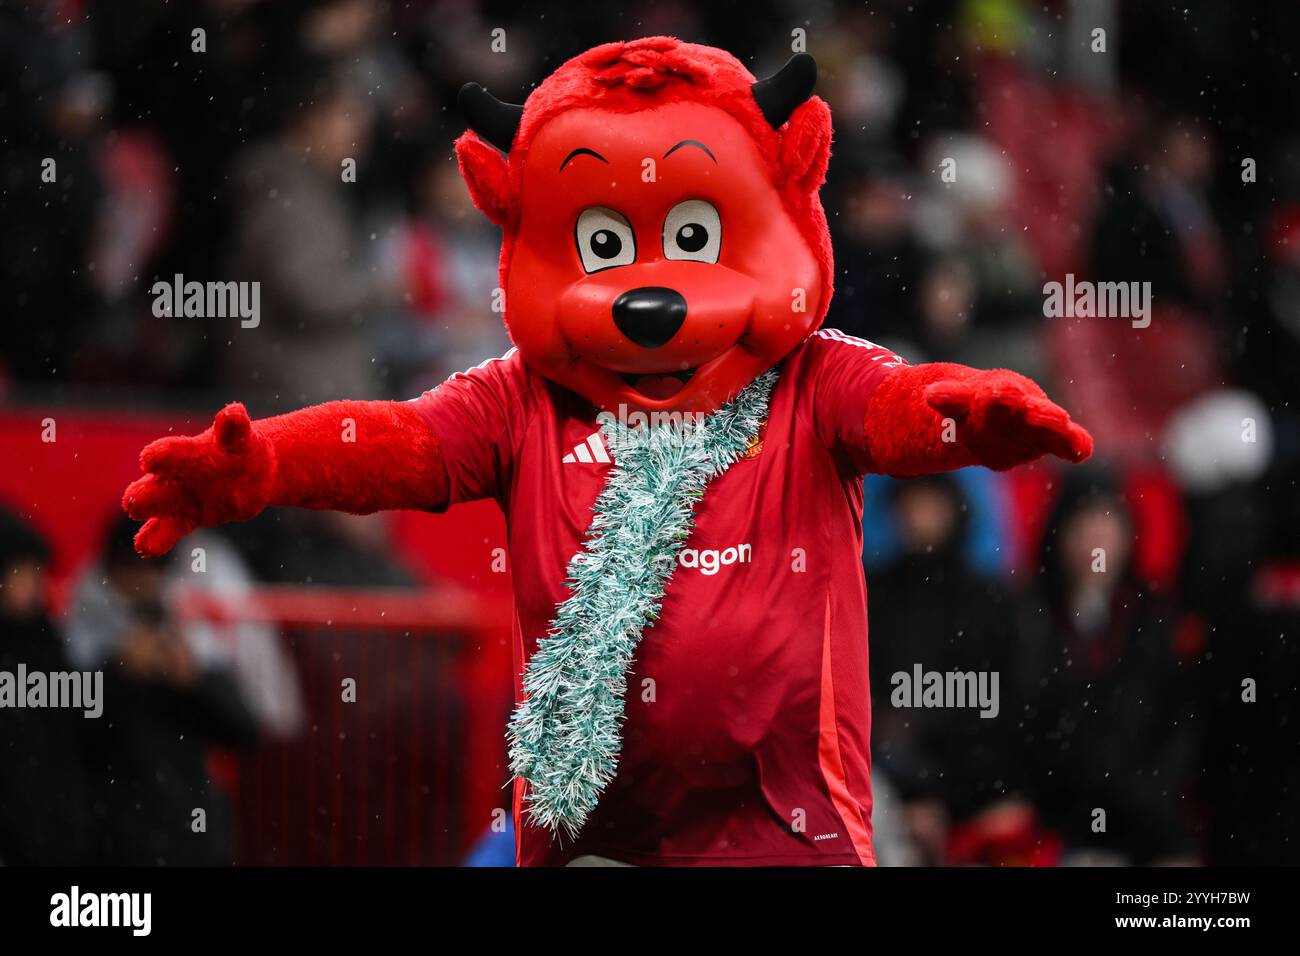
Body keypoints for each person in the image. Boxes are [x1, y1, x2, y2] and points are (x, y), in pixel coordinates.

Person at [1017, 471, 1198, 864]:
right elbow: (1024, 729)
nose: (1096, 541)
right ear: (1059, 535)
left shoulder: (1151, 620)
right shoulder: (1031, 621)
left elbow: (1178, 724)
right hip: (1056, 825)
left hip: (1145, 823)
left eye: (1107, 524)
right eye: (1083, 526)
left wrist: (1144, 794)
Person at [72, 518, 258, 866]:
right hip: (118, 833)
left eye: (158, 568)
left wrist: (194, 681)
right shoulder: (81, 629)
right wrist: (117, 673)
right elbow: (63, 729)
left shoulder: (186, 630)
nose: (148, 582)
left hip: (189, 833)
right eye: (135, 569)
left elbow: (244, 728)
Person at [0, 509, 94, 865]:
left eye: (36, 572)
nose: (32, 584)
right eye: (20, 572)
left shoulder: (48, 643)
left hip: (55, 835)